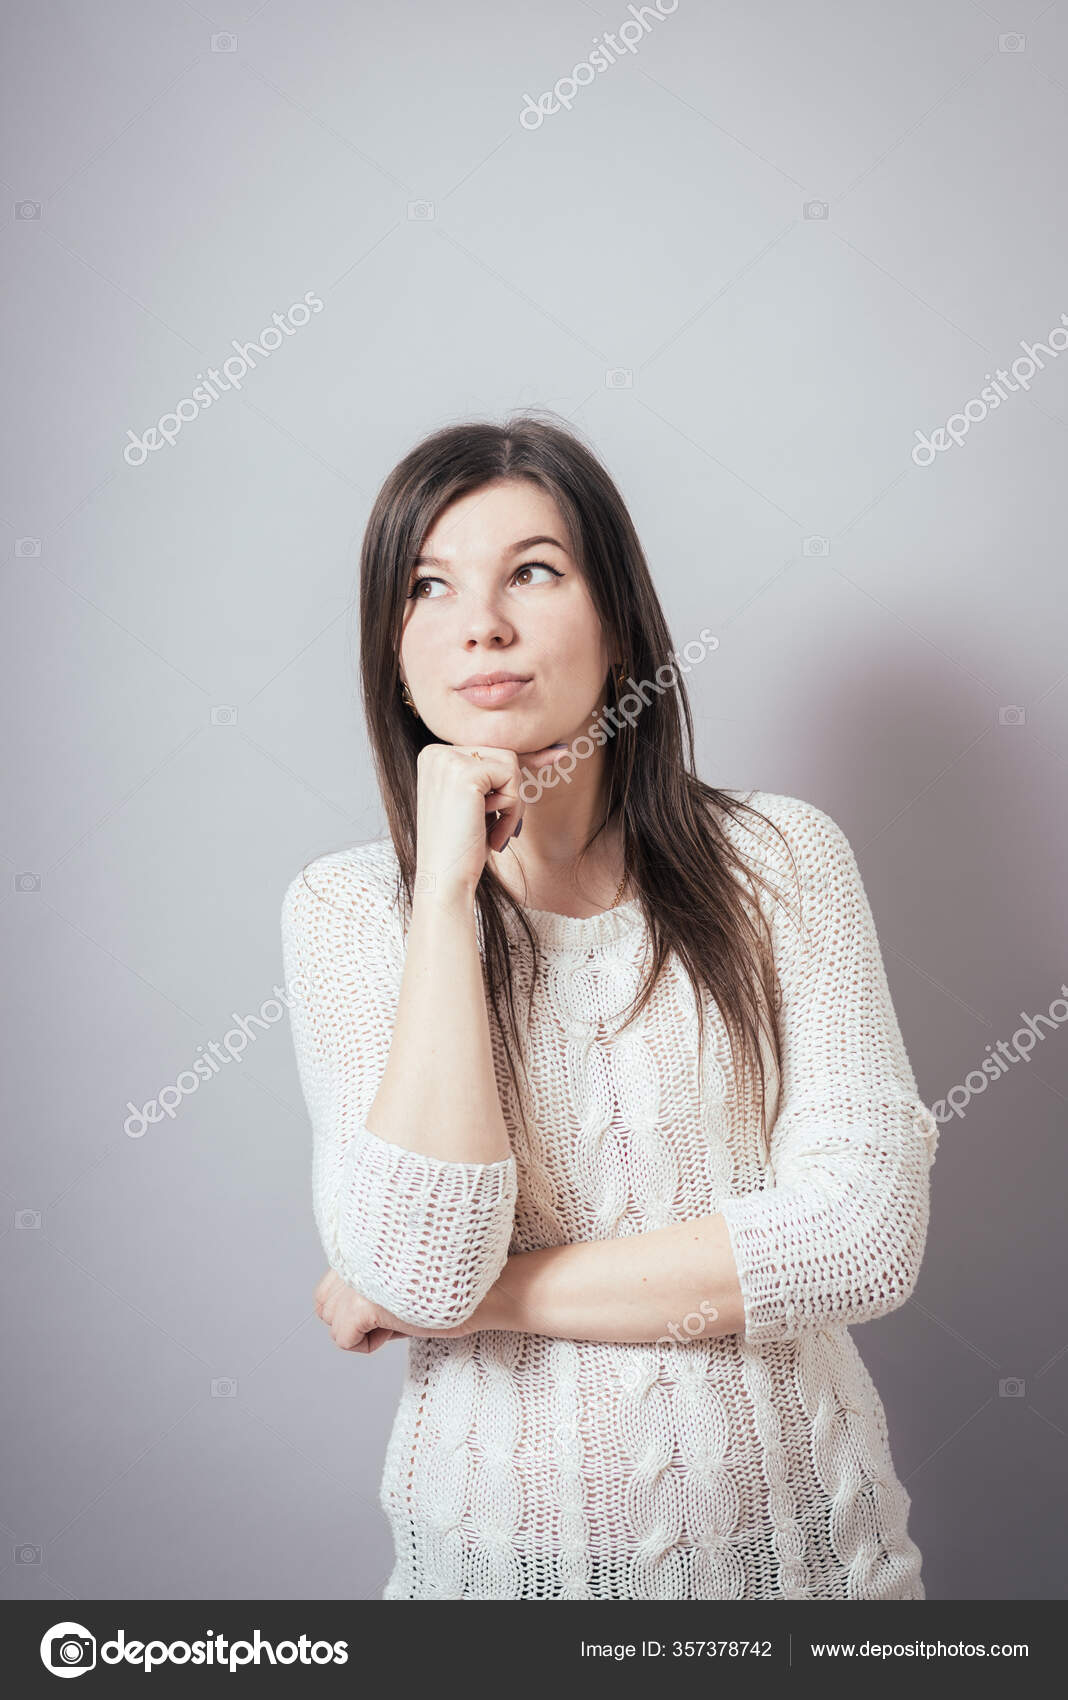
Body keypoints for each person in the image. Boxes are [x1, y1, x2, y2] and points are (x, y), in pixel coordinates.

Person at [281, 413, 939, 1601]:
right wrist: (443, 897)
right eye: (429, 585)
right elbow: (419, 1259)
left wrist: (474, 1297)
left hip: (808, 1568)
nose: (480, 620)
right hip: (492, 1577)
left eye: (533, 570)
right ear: (392, 647)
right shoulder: (348, 911)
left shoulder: (781, 860)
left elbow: (861, 1235)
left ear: (620, 621)